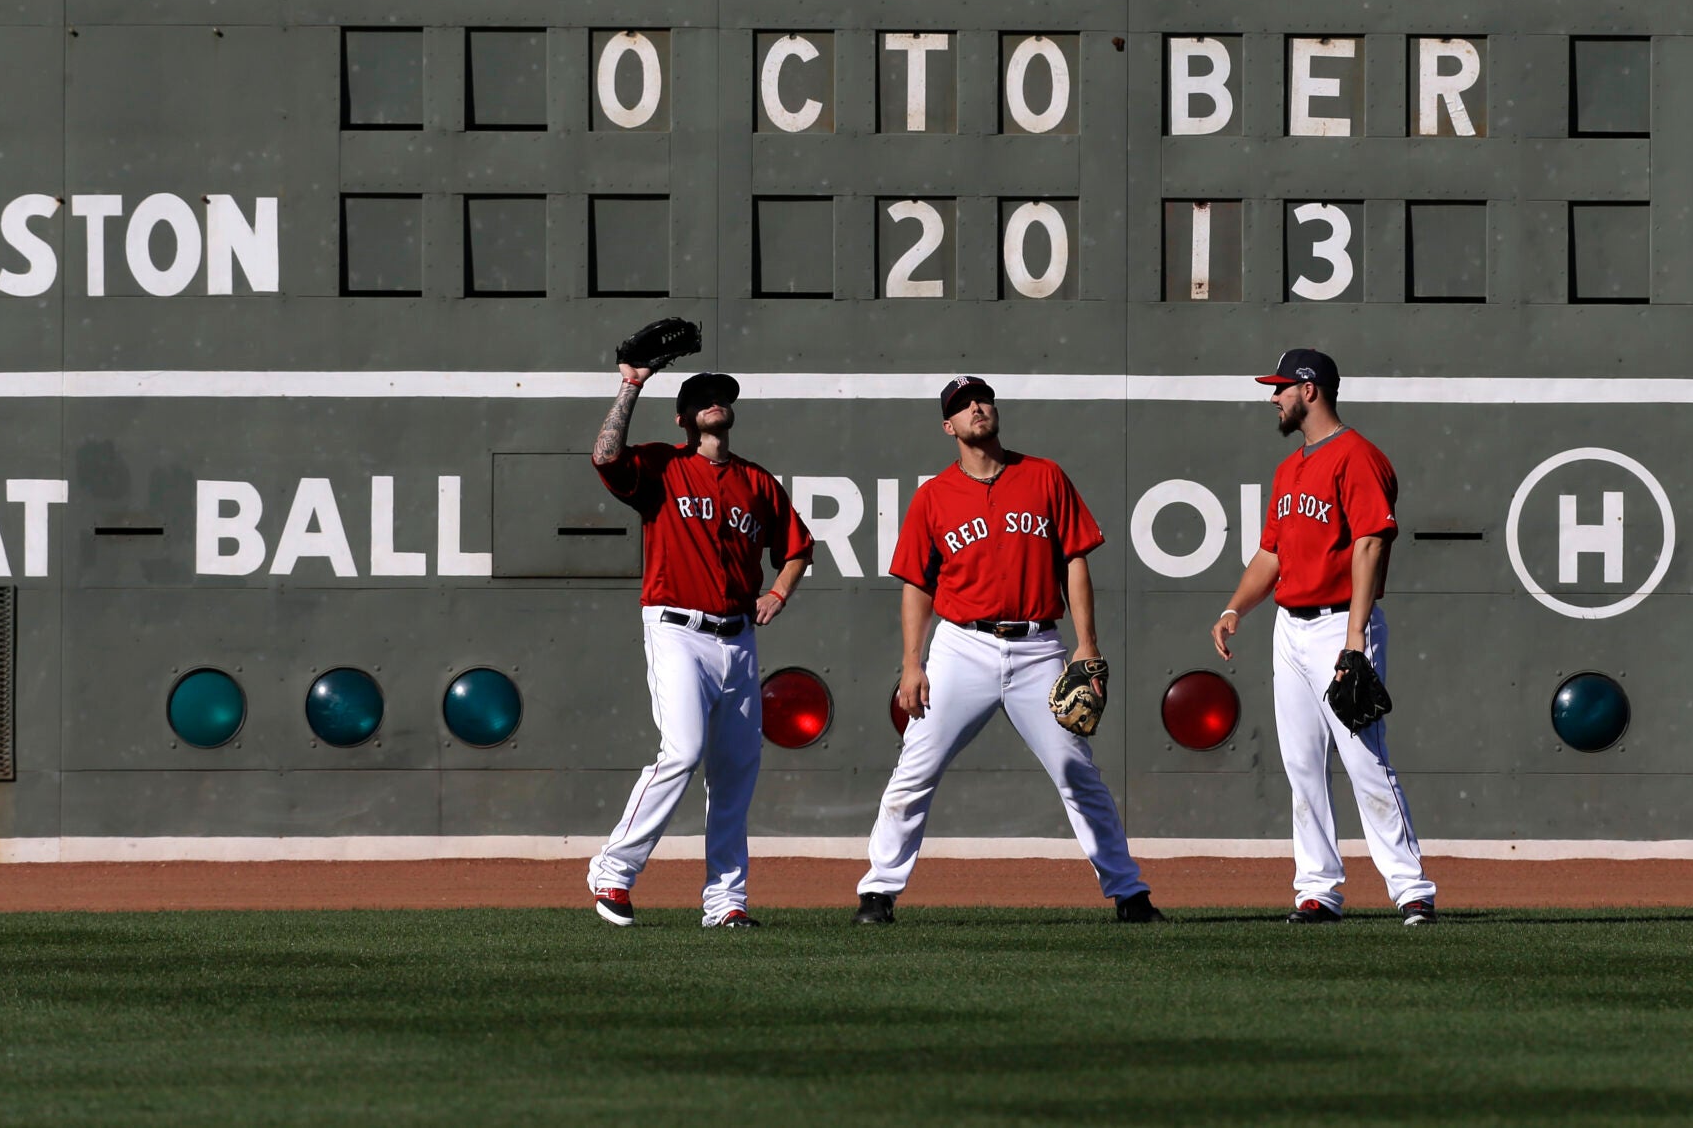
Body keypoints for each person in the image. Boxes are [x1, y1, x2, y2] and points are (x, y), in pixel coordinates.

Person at [853, 376, 1163, 925]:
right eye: (961, 405)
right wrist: (911, 662)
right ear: (948, 426)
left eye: (982, 399)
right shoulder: (933, 496)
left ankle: (1130, 894)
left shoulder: (1043, 477)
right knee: (916, 766)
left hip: (1038, 646)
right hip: (961, 645)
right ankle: (877, 891)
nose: (976, 407)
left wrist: (1086, 648)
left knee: (1075, 769)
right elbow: (918, 586)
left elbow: (1075, 562)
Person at [1210, 348, 1437, 926]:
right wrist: (1237, 606)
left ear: (1309, 390)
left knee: (1365, 760)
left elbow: (1371, 544)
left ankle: (1412, 889)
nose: (1273, 397)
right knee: (1302, 764)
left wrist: (1356, 637)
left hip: (1342, 624)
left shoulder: (1358, 457)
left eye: (1281, 387)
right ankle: (1318, 889)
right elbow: (1271, 553)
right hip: (1291, 627)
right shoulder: (1289, 469)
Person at [586, 360, 813, 928]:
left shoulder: (757, 482)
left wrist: (779, 594)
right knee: (683, 750)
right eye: (703, 397)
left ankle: (726, 902)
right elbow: (605, 456)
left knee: (736, 770)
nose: (715, 402)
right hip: (676, 629)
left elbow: (798, 548)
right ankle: (613, 870)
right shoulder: (664, 465)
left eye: (722, 395)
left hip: (738, 639)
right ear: (685, 416)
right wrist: (631, 384)